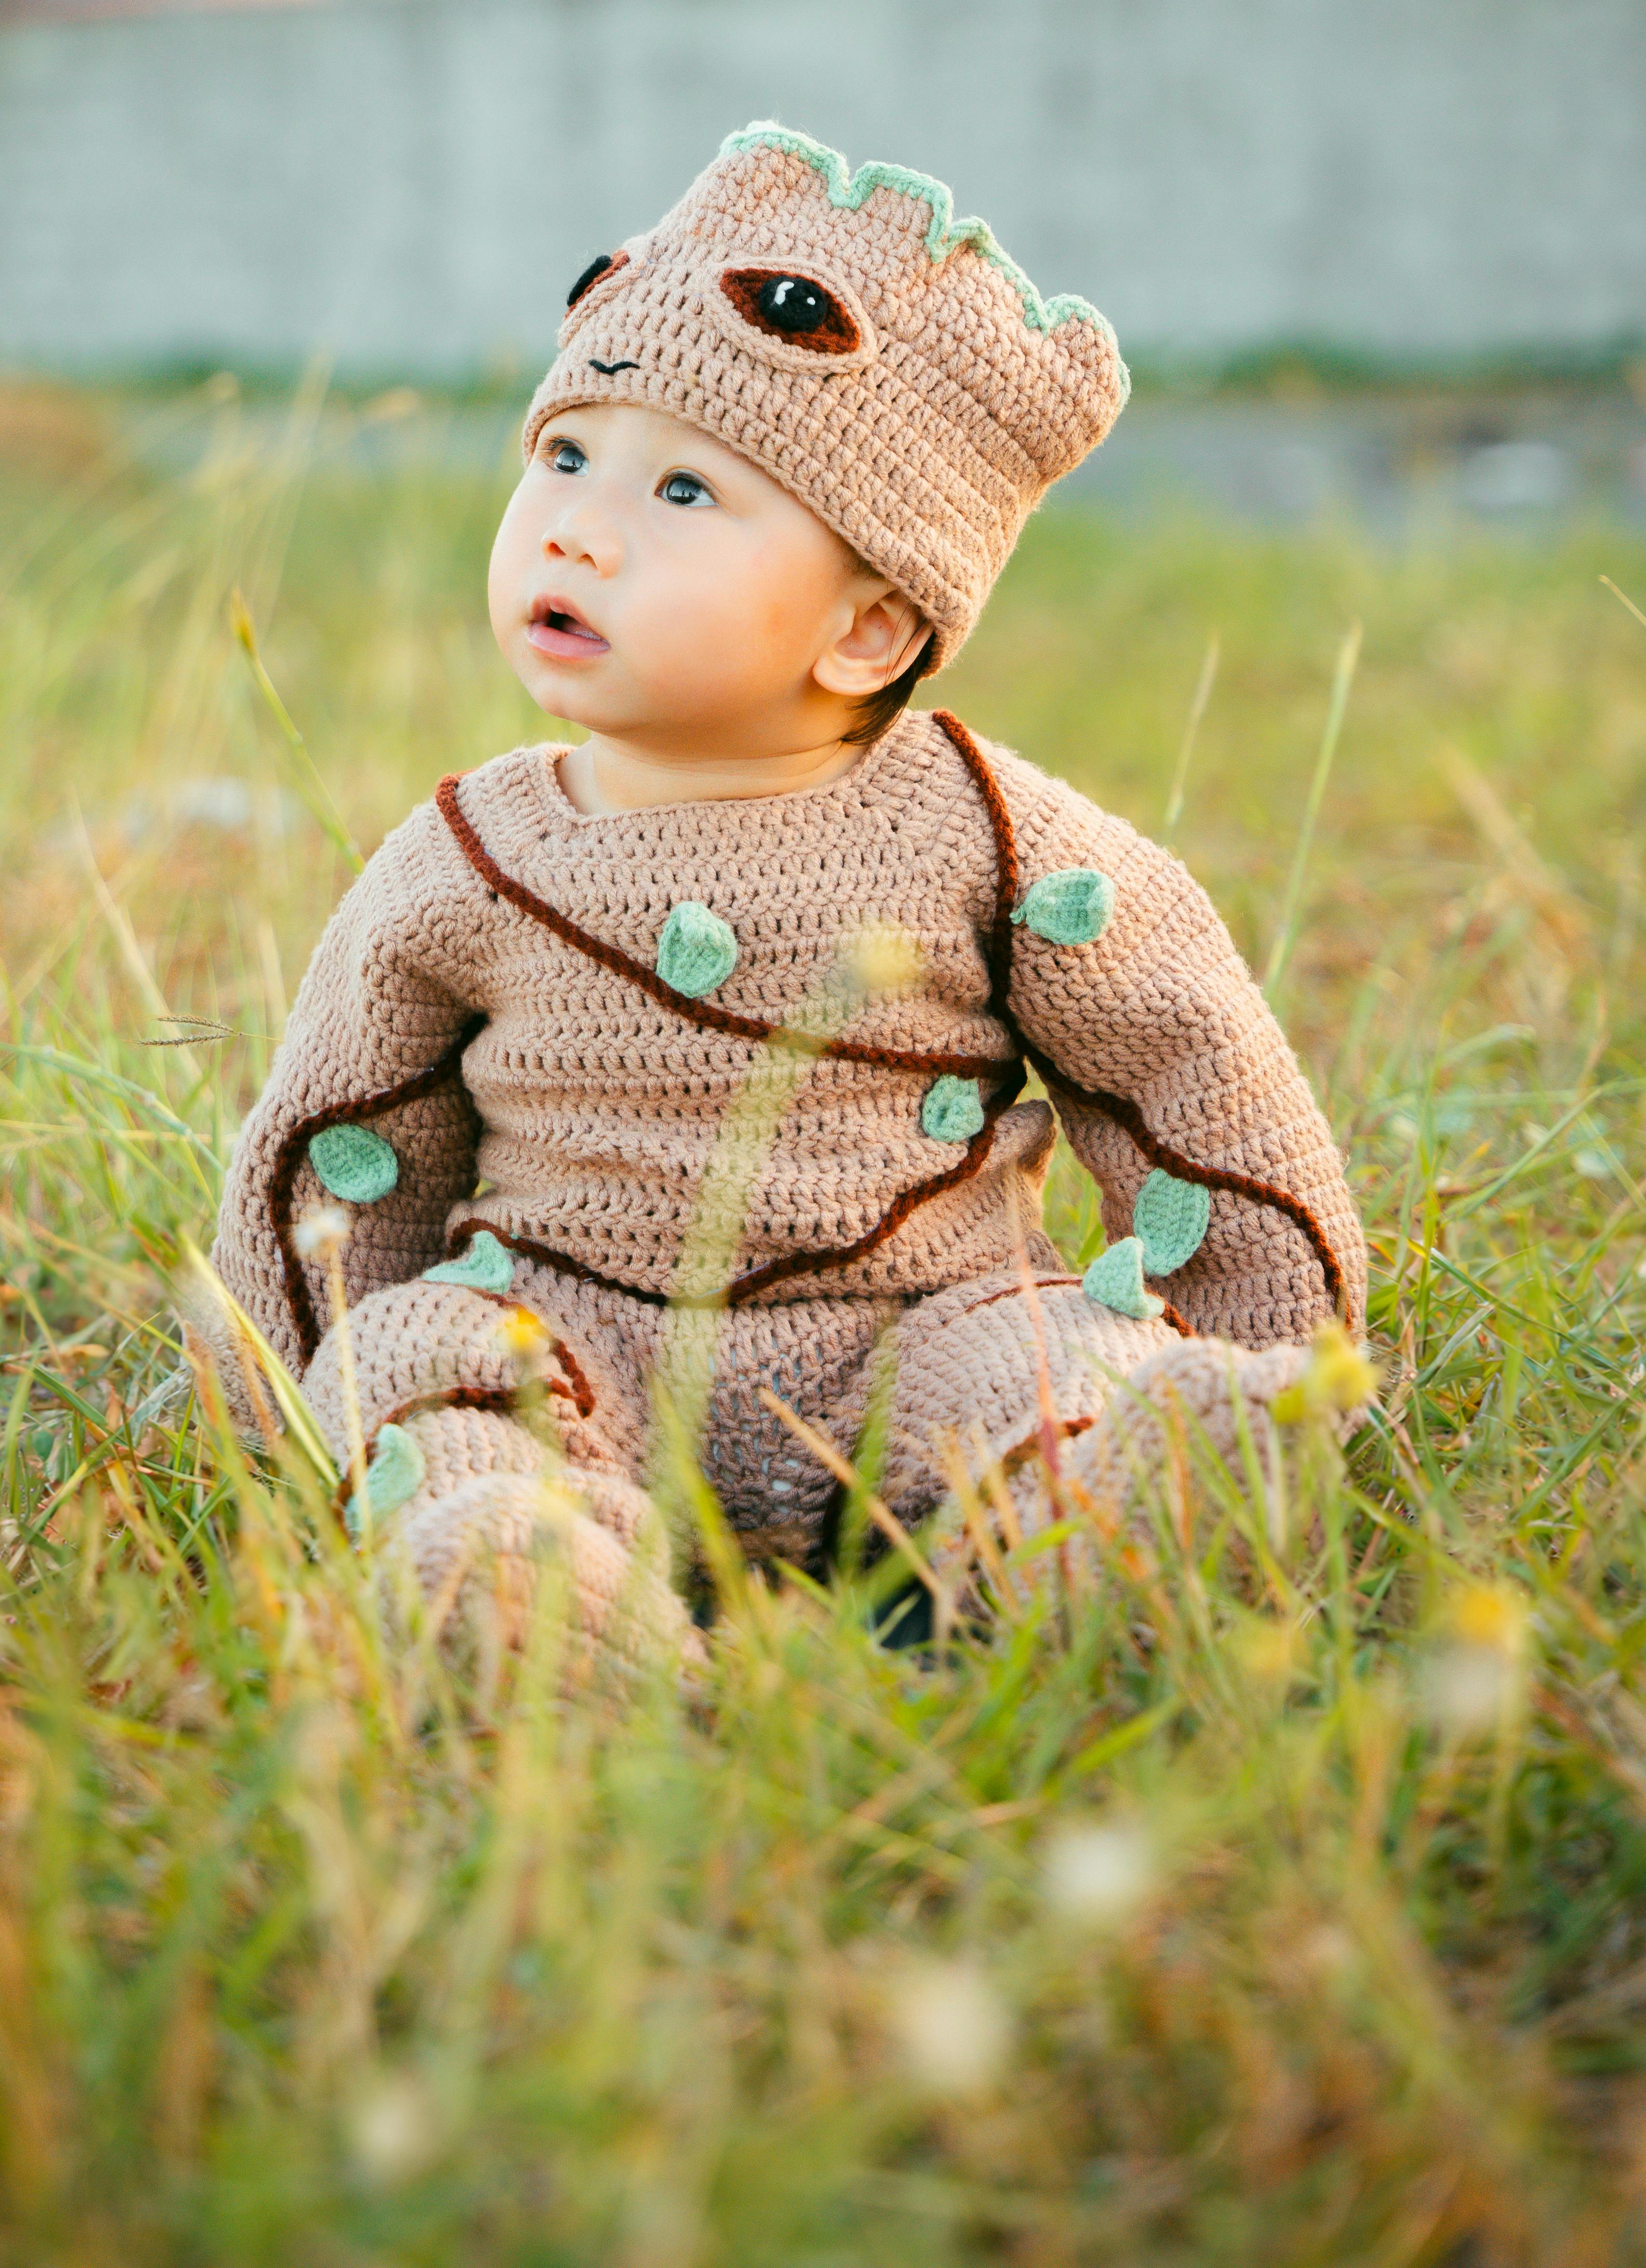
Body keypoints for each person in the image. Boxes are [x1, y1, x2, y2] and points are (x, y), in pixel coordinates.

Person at [208, 122, 1367, 1677]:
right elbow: (336, 1146)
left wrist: (1275, 1351)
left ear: (869, 629)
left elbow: (1191, 1076)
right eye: (562, 456)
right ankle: (528, 1594)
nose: (573, 522)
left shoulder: (993, 838)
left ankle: (1104, 1509)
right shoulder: (467, 855)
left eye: (682, 490)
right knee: (424, 1378)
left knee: (1072, 1378)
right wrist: (275, 1391)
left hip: (931, 1328)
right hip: (565, 1337)